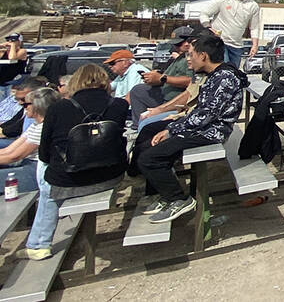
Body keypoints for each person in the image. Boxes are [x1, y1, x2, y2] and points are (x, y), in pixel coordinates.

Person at [137, 33, 247, 224]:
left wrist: (172, 129)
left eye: (192, 55)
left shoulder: (225, 78)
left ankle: (178, 199)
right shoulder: (214, 75)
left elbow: (206, 115)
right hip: (202, 129)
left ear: (203, 56)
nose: (189, 59)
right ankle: (163, 194)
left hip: (211, 133)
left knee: (149, 158)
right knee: (148, 145)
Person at [39, 65, 129, 203]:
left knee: (43, 168)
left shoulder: (58, 108)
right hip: (110, 173)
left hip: (67, 180)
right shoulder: (119, 105)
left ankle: (42, 222)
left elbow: (44, 151)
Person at [23, 86, 62, 261]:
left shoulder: (43, 128)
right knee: (46, 200)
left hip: (40, 172)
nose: (23, 107)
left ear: (37, 106)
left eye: (26, 104)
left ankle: (39, 244)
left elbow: (13, 155)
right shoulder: (36, 125)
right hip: (39, 171)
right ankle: (35, 243)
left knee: (47, 199)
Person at [127, 27, 196, 123]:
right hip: (164, 93)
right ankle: (138, 124)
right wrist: (154, 78)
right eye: (175, 44)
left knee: (138, 91)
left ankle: (139, 125)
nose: (176, 47)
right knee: (138, 90)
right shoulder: (180, 57)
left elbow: (190, 81)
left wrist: (162, 78)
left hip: (174, 100)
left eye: (179, 43)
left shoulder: (192, 59)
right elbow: (166, 77)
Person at [198, 0, 261, 67]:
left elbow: (254, 27)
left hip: (237, 45)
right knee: (224, 68)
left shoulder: (253, 6)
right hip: (219, 42)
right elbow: (204, 13)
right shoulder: (223, 0)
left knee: (233, 71)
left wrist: (255, 45)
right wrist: (208, 27)